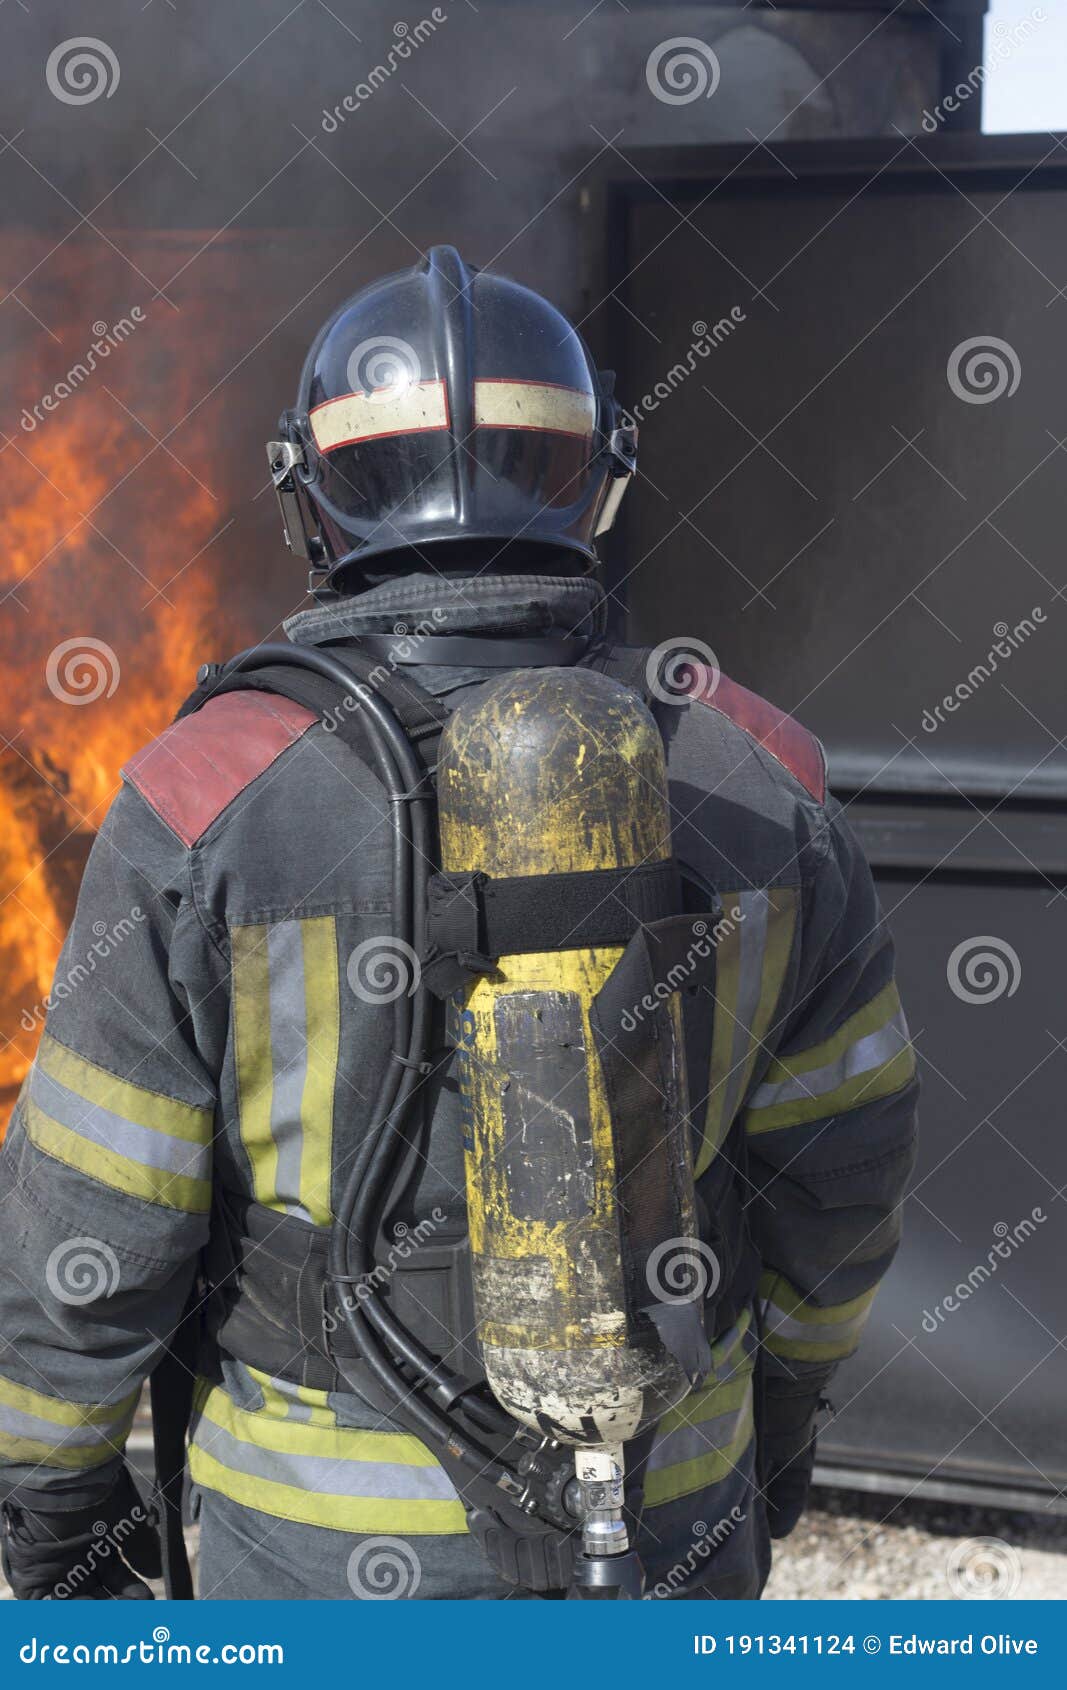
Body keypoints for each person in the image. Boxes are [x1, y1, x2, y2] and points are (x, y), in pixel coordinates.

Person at [0, 247, 917, 1601]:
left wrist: (53, 1499)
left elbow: (93, 1215)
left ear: (317, 497)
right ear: (588, 484)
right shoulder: (761, 781)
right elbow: (844, 1172)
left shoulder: (210, 798)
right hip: (672, 1526)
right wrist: (778, 1418)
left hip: (324, 1561)